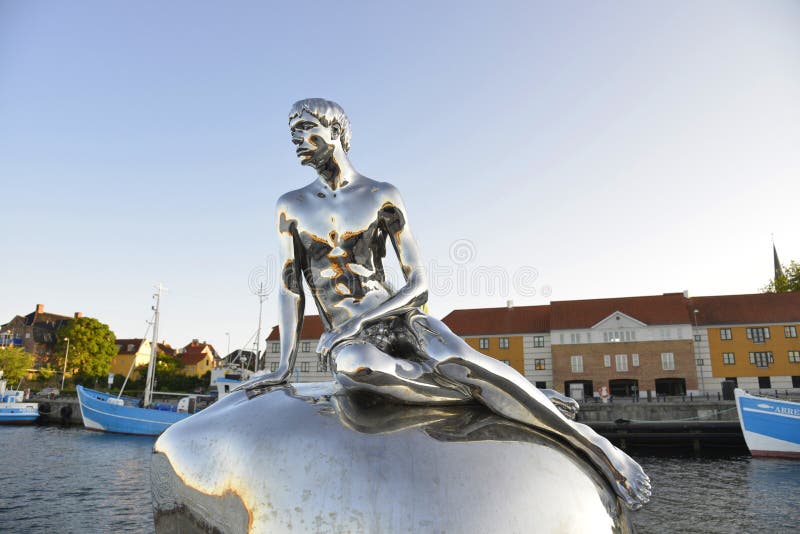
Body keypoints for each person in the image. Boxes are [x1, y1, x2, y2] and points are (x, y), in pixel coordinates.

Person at [239, 98, 650, 509]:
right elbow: (290, 284)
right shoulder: (290, 205)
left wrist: (352, 326)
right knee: (356, 369)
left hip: (398, 316)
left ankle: (596, 446)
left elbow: (418, 284)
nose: (295, 140)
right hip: (353, 342)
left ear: (335, 132)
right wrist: (282, 367)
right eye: (291, 132)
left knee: (460, 360)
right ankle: (504, 398)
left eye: (304, 128)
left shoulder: (381, 195)